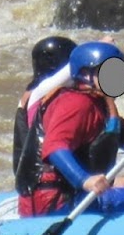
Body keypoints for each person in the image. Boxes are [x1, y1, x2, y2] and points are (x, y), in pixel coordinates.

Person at [16, 41, 124, 217]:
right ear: (85, 74)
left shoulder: (97, 104)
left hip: (59, 195)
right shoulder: (77, 104)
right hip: (56, 202)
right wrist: (85, 180)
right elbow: (54, 147)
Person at [12, 35, 76, 172]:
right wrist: (101, 47)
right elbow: (74, 67)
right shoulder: (39, 92)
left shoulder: (36, 92)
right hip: (44, 177)